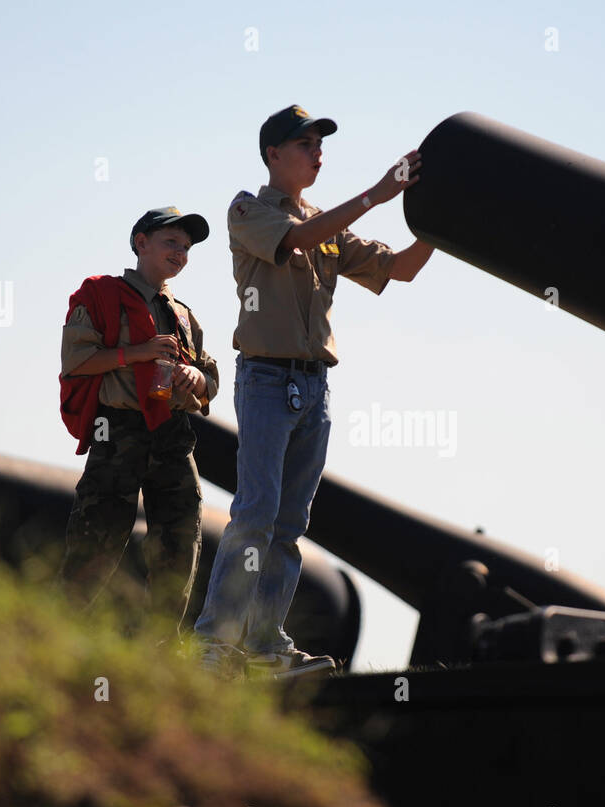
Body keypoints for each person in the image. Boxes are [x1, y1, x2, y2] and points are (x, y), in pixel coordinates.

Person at [193, 105, 434, 679]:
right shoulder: (247, 210)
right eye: (304, 144)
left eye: (319, 144)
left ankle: (263, 648)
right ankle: (213, 646)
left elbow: (399, 269)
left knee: (288, 525)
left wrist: (442, 223)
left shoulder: (329, 225)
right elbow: (297, 237)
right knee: (254, 514)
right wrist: (377, 194)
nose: (316, 153)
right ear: (273, 155)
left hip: (313, 386)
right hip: (267, 379)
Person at [57, 207, 220, 634]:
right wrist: (140, 352)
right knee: (97, 538)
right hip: (118, 431)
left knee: (180, 538)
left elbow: (211, 380)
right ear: (141, 242)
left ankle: (161, 651)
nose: (180, 253)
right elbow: (76, 362)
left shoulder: (183, 315)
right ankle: (56, 639)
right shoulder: (100, 295)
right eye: (171, 243)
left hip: (172, 434)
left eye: (186, 248)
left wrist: (196, 377)